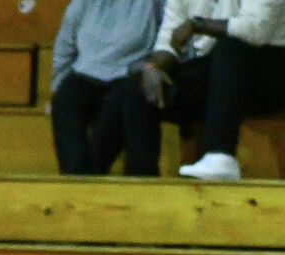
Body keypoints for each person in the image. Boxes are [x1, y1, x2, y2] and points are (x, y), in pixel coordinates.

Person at [121, 0, 285, 180]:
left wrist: (197, 25)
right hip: (219, 75)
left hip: (270, 69)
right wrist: (153, 67)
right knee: (138, 85)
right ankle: (142, 180)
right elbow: (168, 41)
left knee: (229, 48)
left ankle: (220, 155)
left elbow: (255, 29)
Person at [49, 0, 164, 173]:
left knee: (131, 98)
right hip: (85, 75)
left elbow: (167, 37)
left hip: (129, 74)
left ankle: (96, 174)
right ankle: (75, 177)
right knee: (64, 100)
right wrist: (57, 87)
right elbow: (64, 48)